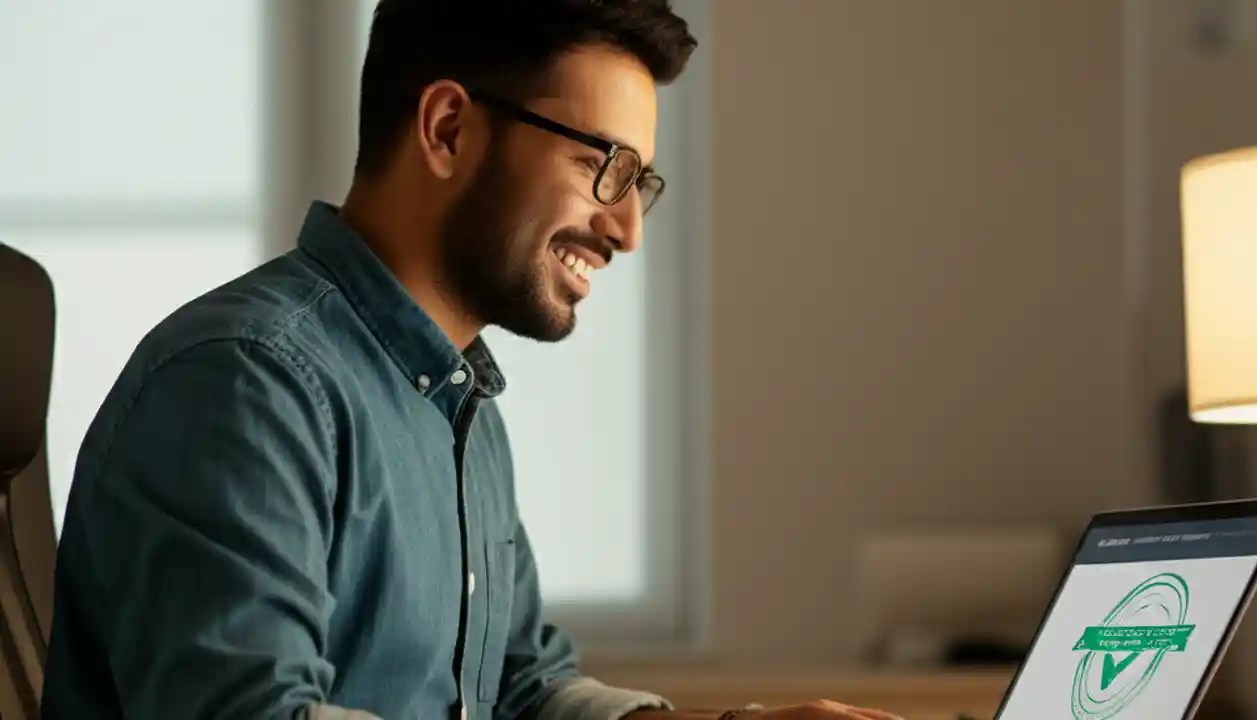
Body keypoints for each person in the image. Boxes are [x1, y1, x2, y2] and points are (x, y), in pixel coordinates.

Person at [42, 2, 900, 719]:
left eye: (641, 184)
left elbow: (523, 688)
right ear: (449, 129)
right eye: (605, 166)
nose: (627, 228)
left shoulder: (458, 404)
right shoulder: (246, 383)